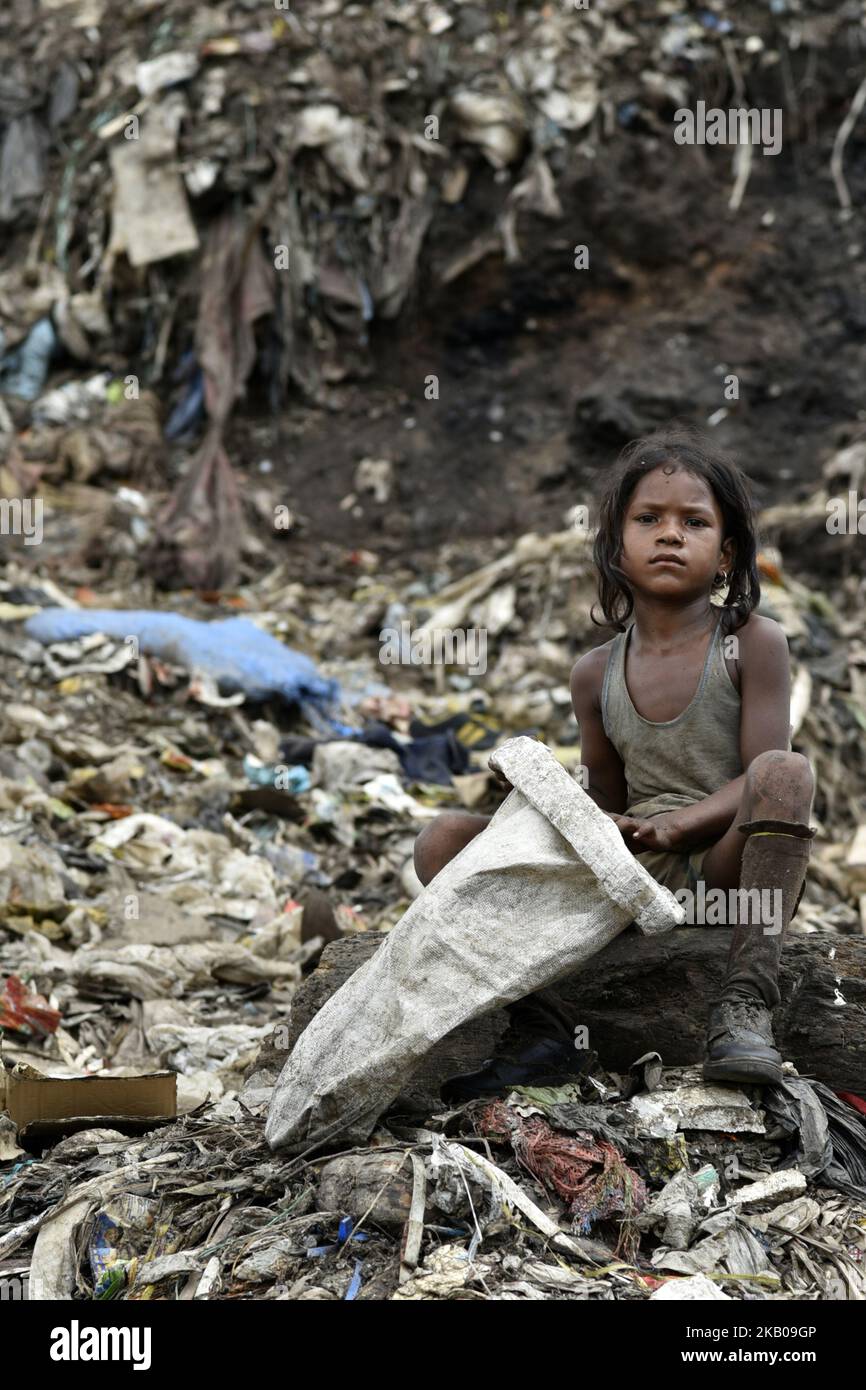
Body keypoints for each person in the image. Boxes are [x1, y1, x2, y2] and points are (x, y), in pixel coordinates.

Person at [414, 428, 815, 1100]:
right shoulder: (594, 673)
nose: (669, 535)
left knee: (787, 773)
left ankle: (744, 1006)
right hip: (630, 877)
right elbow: (605, 797)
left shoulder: (753, 642)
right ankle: (541, 1027)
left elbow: (760, 774)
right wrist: (548, 806)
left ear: (726, 555)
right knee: (443, 840)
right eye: (648, 519)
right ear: (616, 547)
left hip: (722, 869)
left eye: (694, 522)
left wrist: (683, 826)